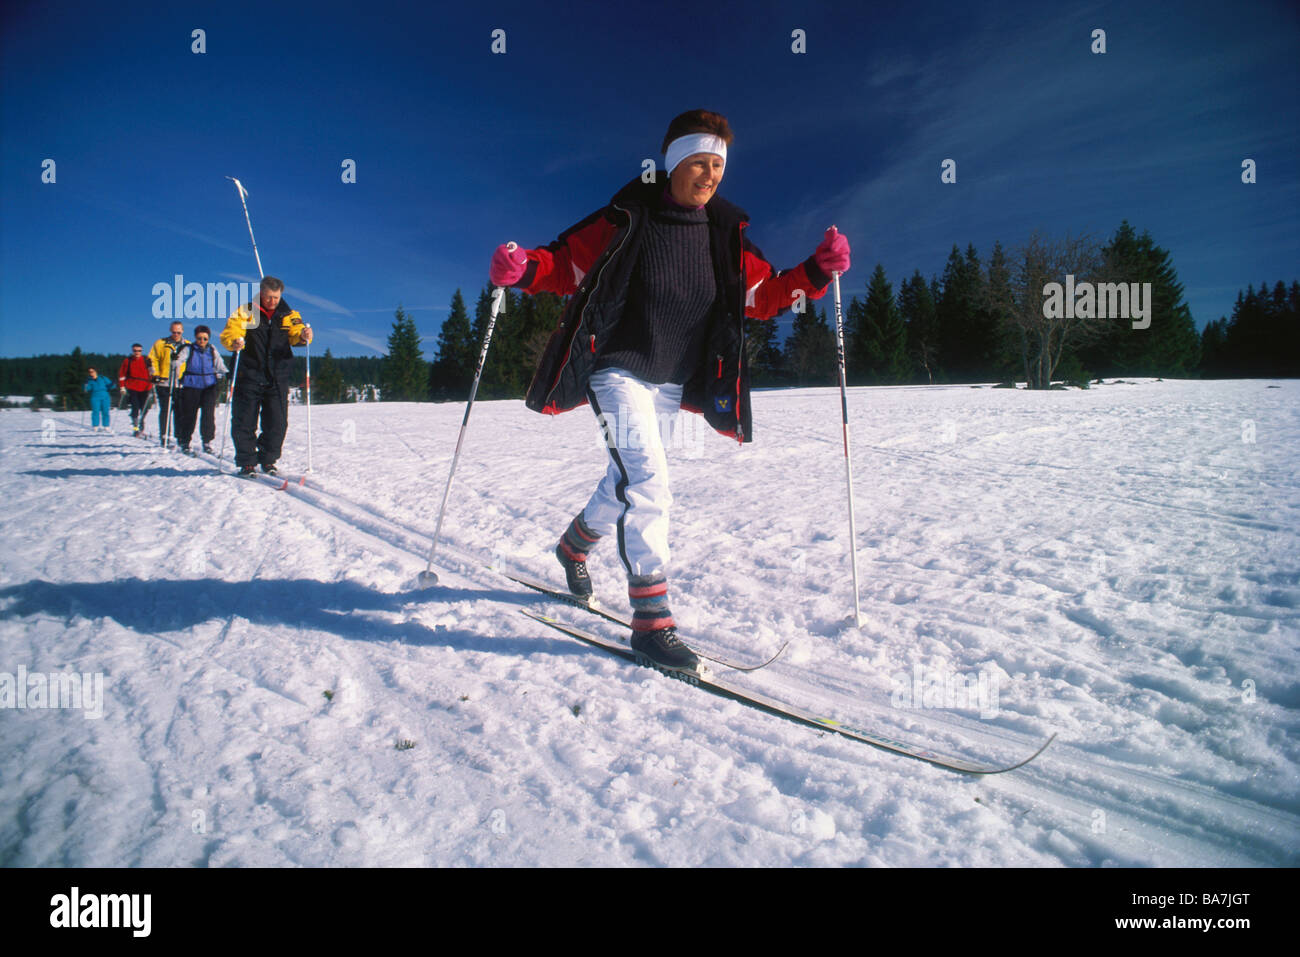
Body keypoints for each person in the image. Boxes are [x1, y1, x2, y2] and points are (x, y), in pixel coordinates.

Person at [490, 109, 851, 672]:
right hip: (617, 371)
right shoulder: (629, 218)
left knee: (625, 478)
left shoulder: (724, 238)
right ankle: (652, 623)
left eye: (718, 167)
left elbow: (765, 296)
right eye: (699, 163)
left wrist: (816, 271)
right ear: (674, 163)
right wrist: (523, 269)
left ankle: (574, 546)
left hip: (667, 384)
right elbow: (565, 265)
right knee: (651, 480)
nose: (709, 176)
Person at [219, 276, 312, 476]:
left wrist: (304, 335)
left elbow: (296, 333)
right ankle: (247, 462)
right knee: (244, 421)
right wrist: (234, 341)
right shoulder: (246, 311)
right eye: (269, 297)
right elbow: (230, 332)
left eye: (276, 297)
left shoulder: (289, 314)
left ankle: (268, 459)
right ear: (261, 293)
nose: (272, 301)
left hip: (277, 376)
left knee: (277, 423)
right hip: (249, 373)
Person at [174, 325, 229, 455]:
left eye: (205, 338)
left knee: (208, 416)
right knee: (189, 415)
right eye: (199, 338)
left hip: (209, 386)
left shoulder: (212, 350)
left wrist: (226, 373)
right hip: (192, 385)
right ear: (195, 338)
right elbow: (179, 361)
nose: (202, 341)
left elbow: (220, 365)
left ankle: (207, 441)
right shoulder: (189, 349)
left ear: (208, 338)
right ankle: (185, 441)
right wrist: (175, 362)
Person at [148, 321, 188, 447]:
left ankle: (180, 437)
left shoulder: (188, 345)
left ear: (182, 331)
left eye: (178, 332)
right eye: (174, 332)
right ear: (170, 331)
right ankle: (164, 436)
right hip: (164, 382)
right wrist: (154, 374)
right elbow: (151, 359)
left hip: (180, 383)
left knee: (180, 411)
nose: (176, 334)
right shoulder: (161, 343)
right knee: (165, 410)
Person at [117, 343, 152, 437]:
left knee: (144, 409)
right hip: (132, 387)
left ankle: (141, 427)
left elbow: (152, 371)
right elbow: (122, 375)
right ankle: (136, 429)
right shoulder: (127, 361)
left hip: (145, 387)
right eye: (135, 351)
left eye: (139, 351)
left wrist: (154, 378)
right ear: (132, 351)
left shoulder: (146, 360)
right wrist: (122, 387)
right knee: (135, 409)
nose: (137, 352)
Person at [82, 368, 114, 432]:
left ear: (96, 371)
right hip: (95, 397)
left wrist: (112, 384)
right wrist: (85, 386)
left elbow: (111, 385)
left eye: (92, 371)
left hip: (105, 396)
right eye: (90, 372)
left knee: (105, 411)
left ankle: (106, 426)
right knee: (95, 411)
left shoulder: (102, 378)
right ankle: (95, 426)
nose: (91, 373)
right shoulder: (89, 380)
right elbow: (86, 390)